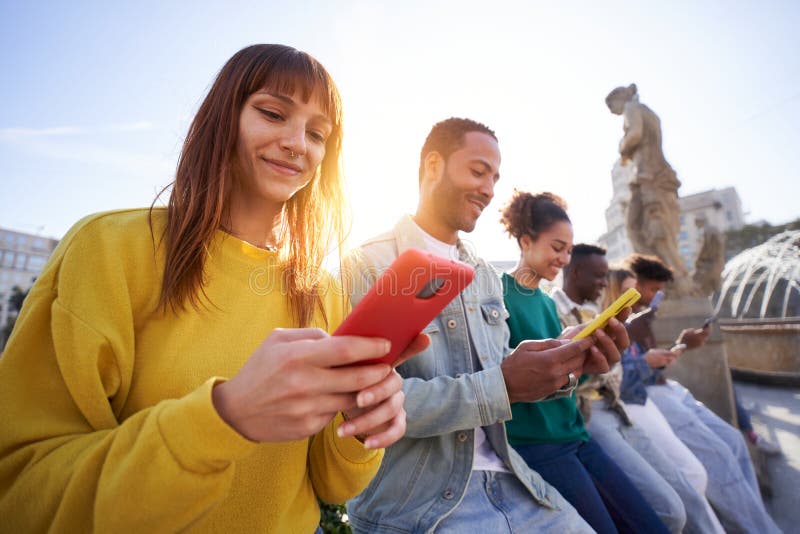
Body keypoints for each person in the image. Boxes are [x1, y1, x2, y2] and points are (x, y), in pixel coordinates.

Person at [0, 44, 426, 533]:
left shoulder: (322, 290)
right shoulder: (107, 248)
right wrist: (225, 417)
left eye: (317, 134)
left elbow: (332, 485)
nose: (297, 144)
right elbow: (22, 490)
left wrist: (360, 424)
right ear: (223, 116)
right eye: (273, 113)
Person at [344, 118, 630, 533]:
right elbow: (362, 402)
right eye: (478, 171)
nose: (489, 189)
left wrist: (563, 357)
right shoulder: (368, 265)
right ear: (433, 165)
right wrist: (502, 385)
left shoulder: (482, 274)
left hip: (514, 481)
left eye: (495, 178)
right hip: (419, 504)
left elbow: (498, 367)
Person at [499, 193, 669, 534]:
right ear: (526, 241)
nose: (564, 259)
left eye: (568, 250)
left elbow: (564, 380)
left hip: (575, 431)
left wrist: (589, 360)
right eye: (557, 247)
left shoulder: (547, 304)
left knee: (651, 524)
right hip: (536, 441)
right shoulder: (496, 296)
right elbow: (499, 376)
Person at [557, 257, 723, 534]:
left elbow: (625, 375)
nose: (640, 298)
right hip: (613, 407)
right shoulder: (582, 316)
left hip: (623, 406)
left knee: (695, 480)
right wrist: (639, 357)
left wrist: (672, 349)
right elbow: (606, 380)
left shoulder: (628, 321)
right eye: (628, 293)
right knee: (684, 490)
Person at [621, 253, 781, 533]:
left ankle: (756, 521)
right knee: (715, 460)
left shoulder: (640, 318)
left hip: (664, 389)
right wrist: (655, 353)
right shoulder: (625, 321)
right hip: (647, 399)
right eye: (652, 289)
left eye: (660, 291)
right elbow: (622, 377)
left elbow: (652, 365)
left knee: (733, 441)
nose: (656, 297)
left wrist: (681, 345)